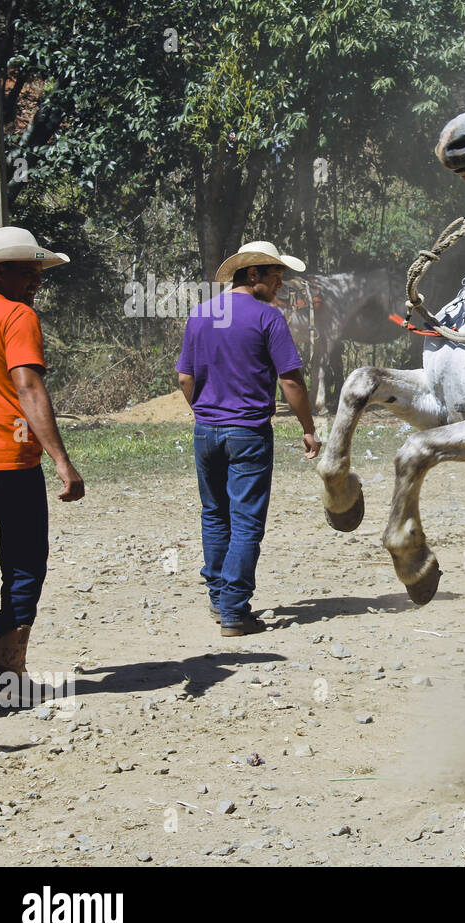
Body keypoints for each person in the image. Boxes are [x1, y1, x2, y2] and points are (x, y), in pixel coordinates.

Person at [176, 241, 321, 637]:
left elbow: (185, 379)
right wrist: (307, 427)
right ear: (253, 275)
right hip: (249, 434)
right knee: (245, 522)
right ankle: (235, 611)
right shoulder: (268, 318)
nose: (280, 285)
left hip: (205, 433)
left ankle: (218, 597)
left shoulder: (201, 314)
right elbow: (290, 379)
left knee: (214, 514)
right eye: (275, 276)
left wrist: (205, 413)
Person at [0, 226, 84, 707]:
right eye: (28, 269)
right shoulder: (17, 316)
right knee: (22, 566)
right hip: (10, 467)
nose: (37, 279)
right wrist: (62, 460)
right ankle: (8, 682)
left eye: (39, 270)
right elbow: (29, 388)